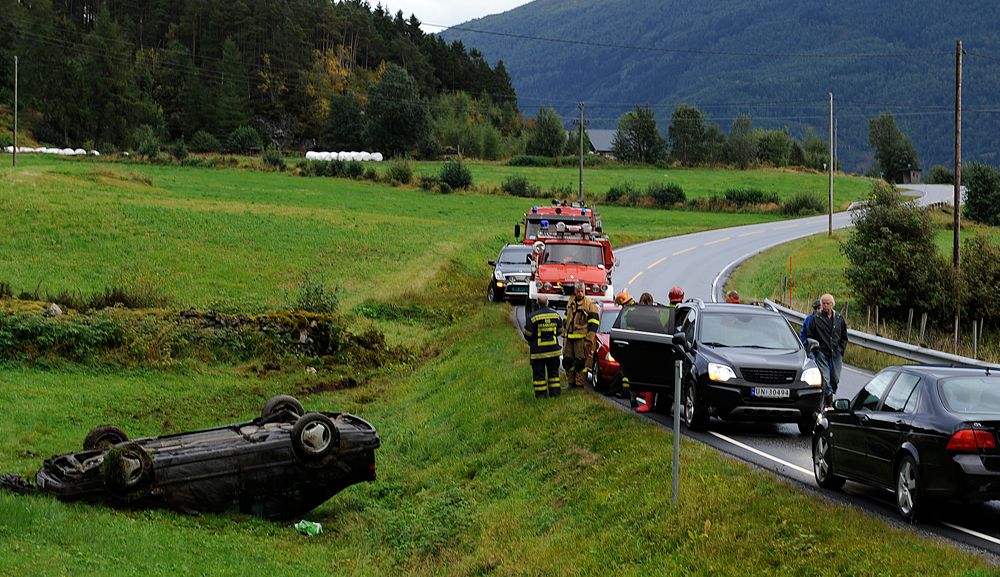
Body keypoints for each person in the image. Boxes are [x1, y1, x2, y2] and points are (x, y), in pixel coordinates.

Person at [806, 293, 848, 409]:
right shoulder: (816, 319)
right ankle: (829, 403)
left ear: (832, 304)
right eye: (823, 303)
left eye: (827, 303)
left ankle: (828, 397)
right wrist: (816, 351)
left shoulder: (839, 318)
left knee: (835, 379)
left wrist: (841, 349)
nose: (825, 306)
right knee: (826, 379)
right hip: (822, 354)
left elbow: (844, 336)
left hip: (836, 354)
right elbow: (810, 336)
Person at [523, 295, 563, 398]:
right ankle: (555, 394)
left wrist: (533, 341)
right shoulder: (555, 315)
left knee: (539, 376)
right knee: (554, 374)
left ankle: (541, 396)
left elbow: (528, 334)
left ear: (537, 303)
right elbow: (560, 331)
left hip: (538, 353)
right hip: (553, 351)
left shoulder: (532, 317)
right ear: (547, 302)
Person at [562, 281, 600, 388]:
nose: (580, 294)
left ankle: (579, 384)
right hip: (569, 338)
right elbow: (566, 318)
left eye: (582, 291)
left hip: (581, 340)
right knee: (567, 361)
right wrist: (563, 332)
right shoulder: (570, 302)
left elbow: (594, 324)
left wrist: (589, 339)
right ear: (575, 291)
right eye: (578, 291)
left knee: (580, 363)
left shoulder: (590, 305)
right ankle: (571, 383)